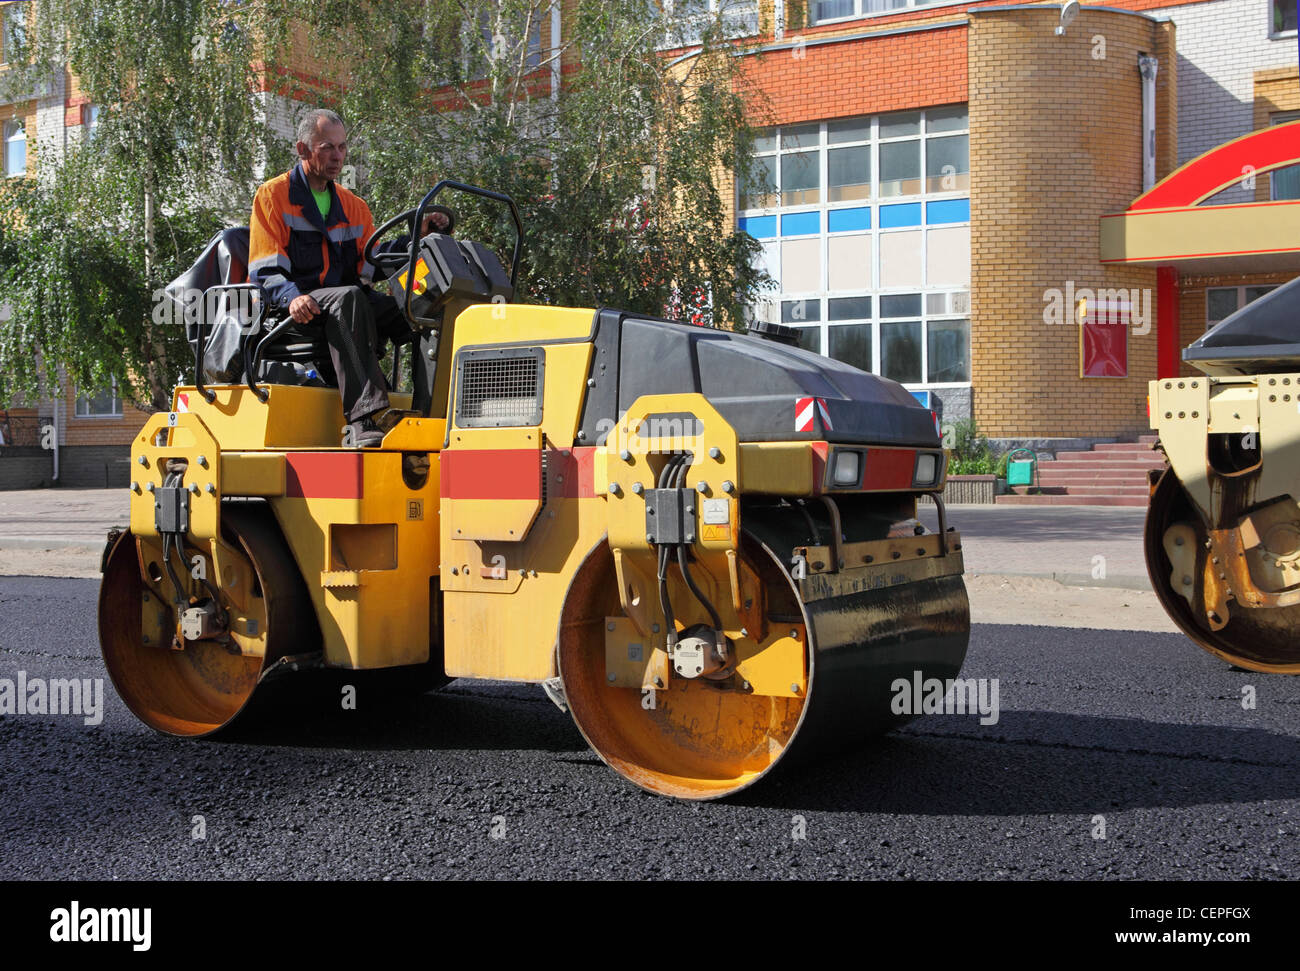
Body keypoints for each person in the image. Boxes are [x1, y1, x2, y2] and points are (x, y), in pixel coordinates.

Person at [248, 108, 450, 447]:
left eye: (342, 148)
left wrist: (418, 237)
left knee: (424, 312)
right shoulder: (273, 196)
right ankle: (364, 418)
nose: (337, 156)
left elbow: (370, 263)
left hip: (345, 305)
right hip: (296, 309)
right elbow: (266, 269)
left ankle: (429, 410)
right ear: (302, 149)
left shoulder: (353, 206)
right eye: (327, 147)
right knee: (349, 299)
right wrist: (291, 296)